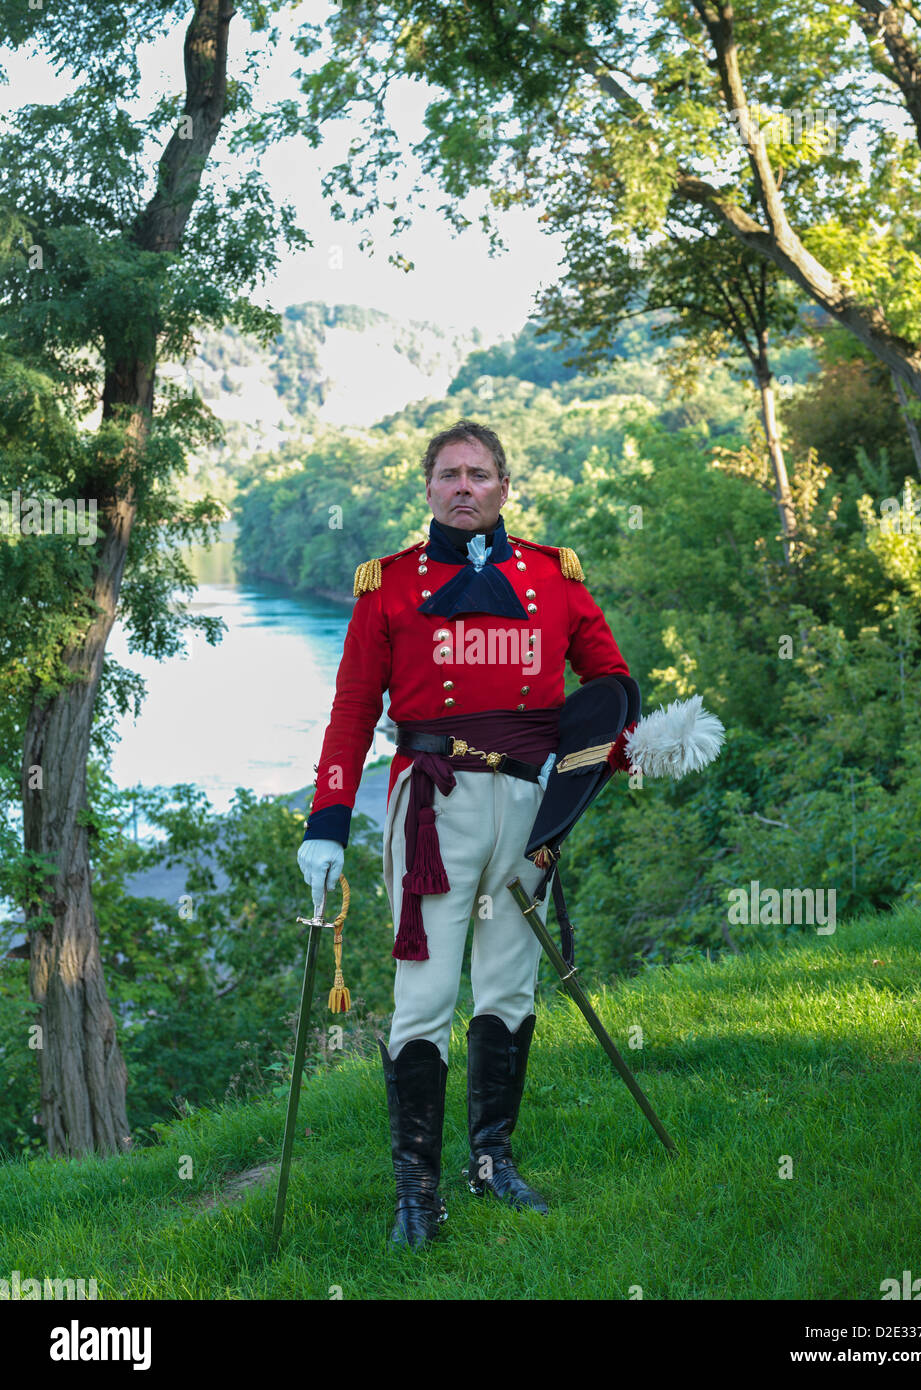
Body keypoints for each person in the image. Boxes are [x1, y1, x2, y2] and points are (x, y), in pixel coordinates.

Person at [297, 419, 631, 1249]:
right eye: (448, 474)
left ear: (503, 487)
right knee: (423, 995)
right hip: (431, 808)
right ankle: (417, 1192)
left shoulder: (553, 578)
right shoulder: (389, 585)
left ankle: (492, 1163)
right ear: (428, 488)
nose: (463, 486)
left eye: (479, 474)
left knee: (510, 986)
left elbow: (609, 682)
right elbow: (351, 708)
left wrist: (606, 759)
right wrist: (326, 821)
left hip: (528, 805)